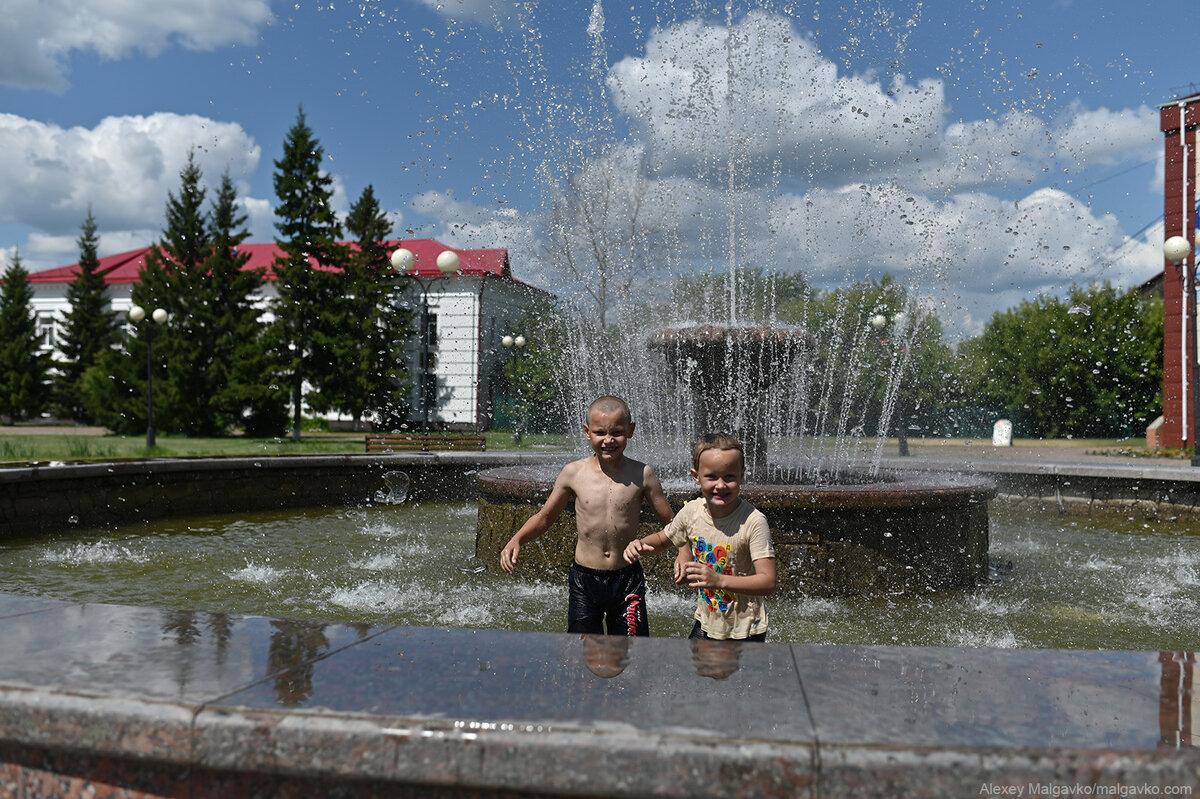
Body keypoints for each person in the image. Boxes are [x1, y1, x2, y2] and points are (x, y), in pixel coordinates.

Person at [499, 395, 675, 635]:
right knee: (582, 651)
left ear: (631, 430)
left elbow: (671, 523)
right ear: (587, 432)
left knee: (633, 650)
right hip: (585, 580)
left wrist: (684, 553)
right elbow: (544, 518)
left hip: (627, 579)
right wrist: (516, 539)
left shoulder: (642, 474)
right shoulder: (573, 473)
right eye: (600, 432)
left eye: (617, 432)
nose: (608, 440)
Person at [623, 432, 776, 642]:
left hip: (744, 630)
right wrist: (640, 544)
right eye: (712, 477)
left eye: (729, 477)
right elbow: (662, 539)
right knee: (691, 672)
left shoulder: (753, 521)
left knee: (735, 676)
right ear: (696, 476)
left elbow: (768, 582)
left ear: (742, 475)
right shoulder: (692, 512)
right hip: (706, 622)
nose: (720, 485)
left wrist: (719, 580)